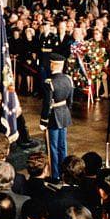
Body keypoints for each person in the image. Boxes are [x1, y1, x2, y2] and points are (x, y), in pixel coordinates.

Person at [40, 53, 73, 182]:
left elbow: (47, 104)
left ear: (53, 65)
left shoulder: (50, 82)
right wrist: (66, 112)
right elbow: (70, 101)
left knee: (52, 147)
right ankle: (64, 172)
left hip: (53, 116)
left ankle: (55, 175)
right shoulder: (68, 79)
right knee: (62, 146)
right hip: (64, 114)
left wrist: (43, 120)